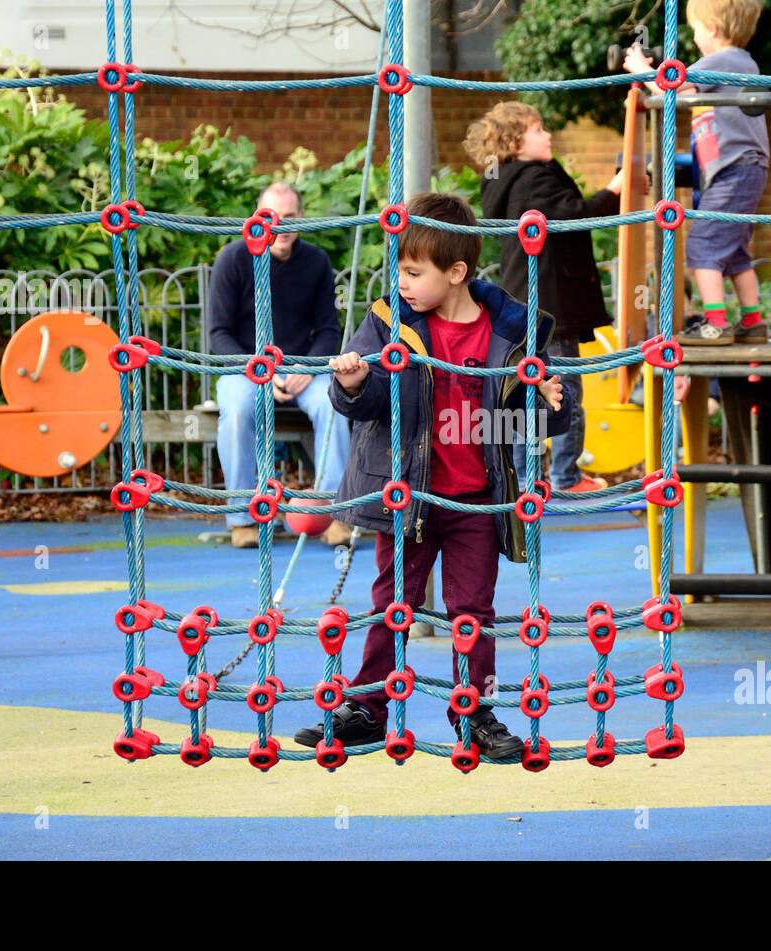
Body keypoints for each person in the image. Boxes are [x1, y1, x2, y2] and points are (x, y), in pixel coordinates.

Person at [293, 192, 570, 759]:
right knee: (393, 601)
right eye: (399, 267)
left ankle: (475, 713)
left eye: (415, 271)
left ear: (458, 272)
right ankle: (368, 706)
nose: (403, 281)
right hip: (407, 498)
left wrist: (548, 400)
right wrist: (349, 384)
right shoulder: (388, 322)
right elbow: (366, 403)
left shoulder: (510, 331)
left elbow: (527, 419)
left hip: (475, 502)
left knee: (474, 612)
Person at [467, 101, 626, 493]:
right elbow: (576, 218)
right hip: (550, 303)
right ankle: (564, 477)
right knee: (566, 387)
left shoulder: (510, 178)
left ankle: (526, 478)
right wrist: (616, 188)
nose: (548, 135)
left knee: (530, 389)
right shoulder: (532, 180)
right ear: (516, 142)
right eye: (539, 130)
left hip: (528, 301)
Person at [207, 181, 351, 549]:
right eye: (271, 216)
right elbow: (218, 333)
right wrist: (255, 370)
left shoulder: (316, 261)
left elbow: (327, 329)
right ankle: (243, 518)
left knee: (333, 403)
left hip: (301, 366)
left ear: (301, 218)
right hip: (246, 367)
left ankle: (334, 511)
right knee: (237, 410)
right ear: (256, 218)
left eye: (289, 217)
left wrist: (309, 366)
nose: (281, 225)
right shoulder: (233, 259)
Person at [625, 0, 770, 345]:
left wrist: (640, 70)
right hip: (740, 168)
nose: (694, 38)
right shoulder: (741, 62)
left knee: (704, 244)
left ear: (714, 30)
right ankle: (752, 321)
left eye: (696, 30)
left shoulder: (721, 61)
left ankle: (716, 324)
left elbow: (669, 91)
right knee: (733, 251)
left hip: (735, 169)